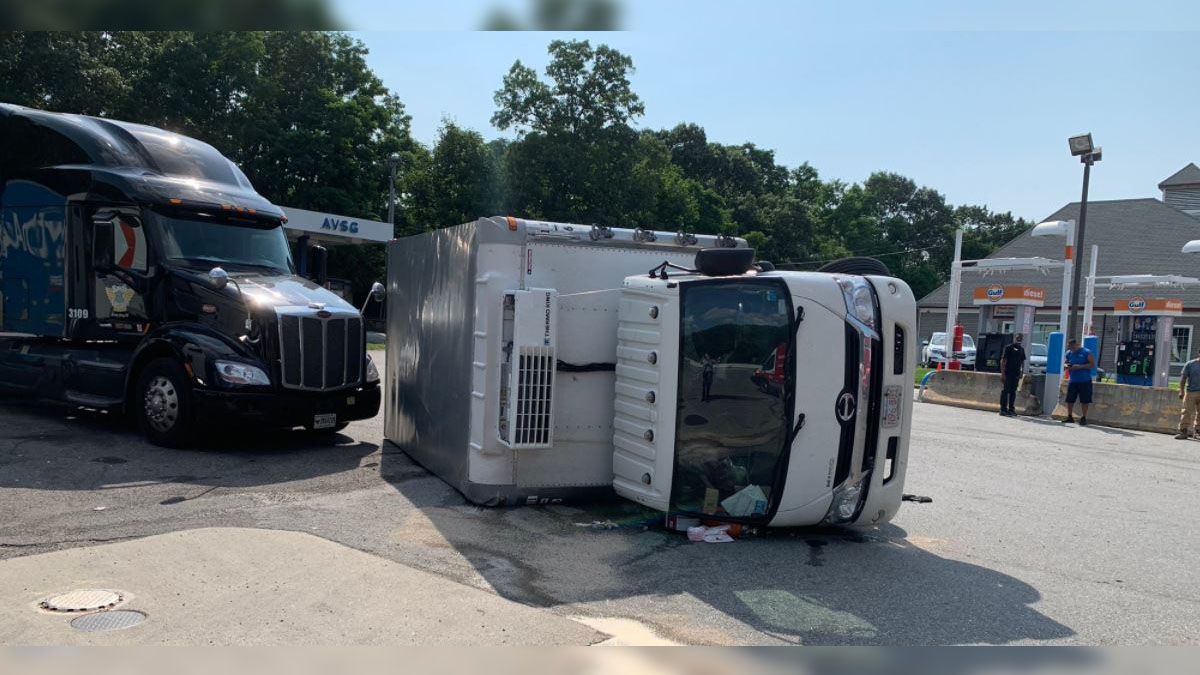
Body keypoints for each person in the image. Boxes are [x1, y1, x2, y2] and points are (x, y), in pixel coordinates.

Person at [1063, 338, 1095, 425]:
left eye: (1072, 347)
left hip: (1085, 380)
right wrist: (1066, 366)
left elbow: (1092, 364)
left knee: (1085, 400)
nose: (1071, 350)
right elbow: (1066, 362)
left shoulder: (1086, 352)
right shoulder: (1069, 353)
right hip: (1073, 380)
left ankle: (1083, 417)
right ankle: (1070, 416)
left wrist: (1080, 366)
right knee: (1070, 399)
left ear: (1076, 345)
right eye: (1069, 348)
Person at [999, 334, 1026, 416]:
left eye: (1020, 338)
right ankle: (1003, 409)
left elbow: (1022, 362)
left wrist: (1021, 372)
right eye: (1017, 338)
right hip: (1007, 373)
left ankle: (1011, 409)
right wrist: (1003, 373)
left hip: (1016, 374)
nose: (1019, 339)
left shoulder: (1021, 349)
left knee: (1013, 392)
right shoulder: (1008, 348)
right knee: (1005, 391)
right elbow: (1003, 360)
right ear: (1014, 338)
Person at [1175, 349, 1200, 439]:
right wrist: (1181, 391)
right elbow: (1183, 378)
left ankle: (1197, 432)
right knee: (1186, 412)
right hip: (1191, 392)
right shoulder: (1190, 364)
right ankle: (1183, 432)